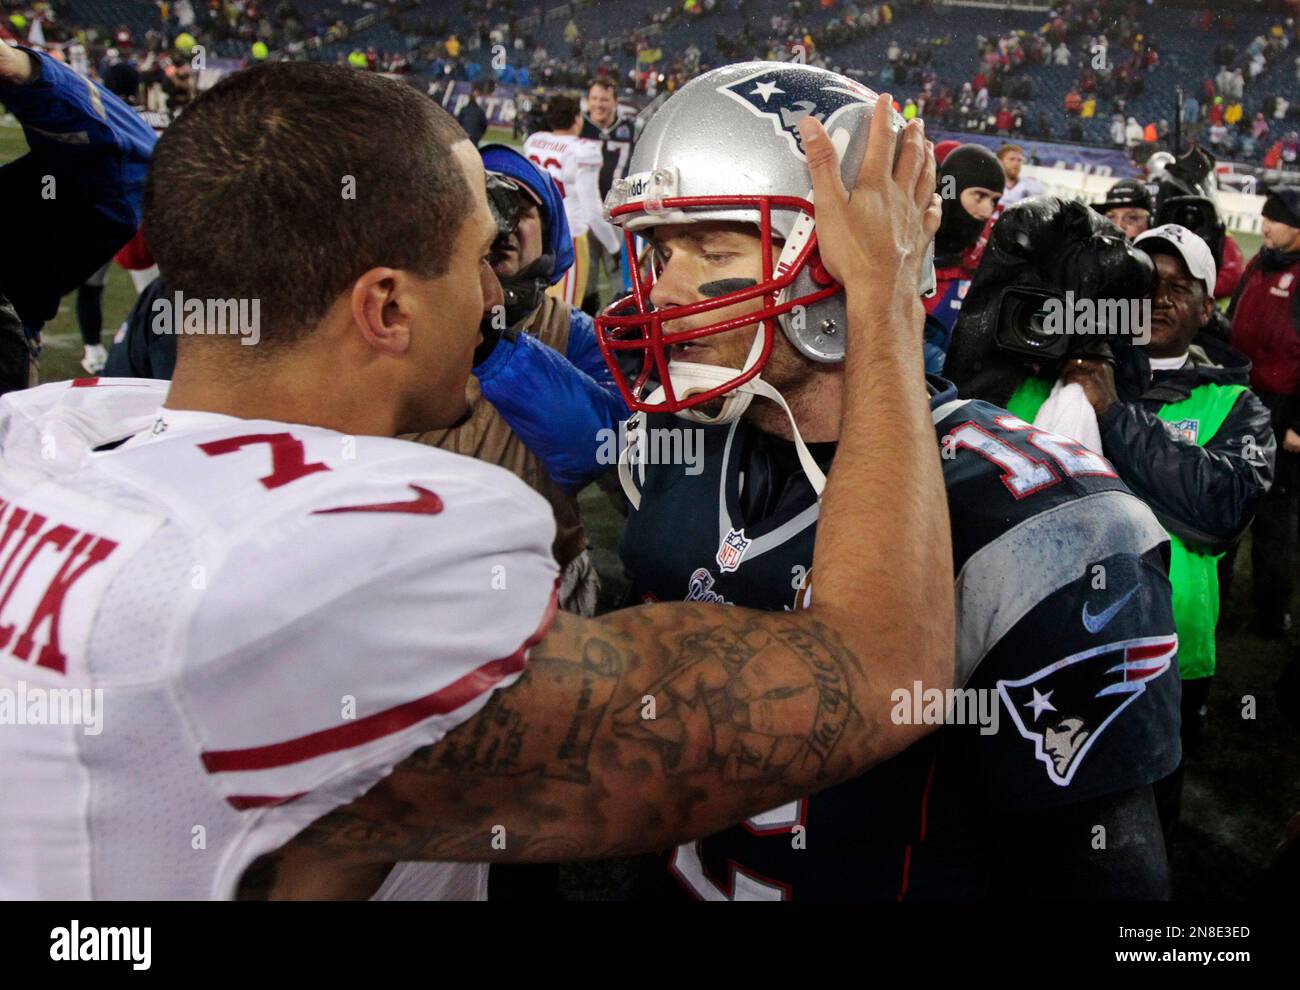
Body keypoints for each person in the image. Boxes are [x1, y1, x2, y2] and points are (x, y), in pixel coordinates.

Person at [0, 62, 955, 899]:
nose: (498, 297)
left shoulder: (51, 434)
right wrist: (880, 302)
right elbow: (877, 670)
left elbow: (340, 830)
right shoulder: (334, 562)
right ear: (386, 306)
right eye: (473, 262)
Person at [597, 63, 1181, 901]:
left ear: (840, 264)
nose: (663, 288)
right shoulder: (677, 451)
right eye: (657, 248)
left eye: (712, 246)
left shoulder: (1050, 523)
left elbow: (1115, 898)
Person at [1000, 224, 1273, 842]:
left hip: (1168, 650)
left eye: (1183, 287)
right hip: (1039, 641)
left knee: (1142, 821)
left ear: (1209, 308)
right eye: (1146, 282)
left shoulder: (1235, 405)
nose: (1161, 297)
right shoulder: (1051, 372)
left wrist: (1113, 415)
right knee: (1028, 811)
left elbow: (1220, 509)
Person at [406, 144, 628, 618]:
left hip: (544, 579)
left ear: (549, 232)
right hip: (415, 579)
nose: (502, 224)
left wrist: (494, 350)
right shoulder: (401, 319)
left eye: (521, 208)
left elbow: (602, 448)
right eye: (484, 205)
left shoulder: (576, 332)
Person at [0, 41, 155, 382]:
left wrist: (25, 71)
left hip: (140, 215)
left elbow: (120, 171)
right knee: (157, 302)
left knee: (133, 298)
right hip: (156, 218)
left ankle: (100, 352)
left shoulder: (22, 212)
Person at [1228, 185, 1300, 636]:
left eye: (1274, 219)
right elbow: (1233, 314)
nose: (1264, 225)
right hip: (1241, 400)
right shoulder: (1258, 263)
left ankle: (1272, 612)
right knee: (1230, 499)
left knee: (1275, 516)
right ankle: (1218, 599)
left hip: (1283, 410)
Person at [523, 94, 621, 307]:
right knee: (563, 312)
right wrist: (614, 247)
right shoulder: (583, 150)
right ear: (578, 119)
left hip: (536, 234)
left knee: (534, 307)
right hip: (568, 237)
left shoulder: (535, 141)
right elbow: (592, 208)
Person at [923, 143, 1004, 371]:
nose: (987, 211)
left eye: (994, 201)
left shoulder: (990, 264)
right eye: (979, 196)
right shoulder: (898, 248)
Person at [579, 78, 637, 315]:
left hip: (617, 214)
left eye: (604, 99)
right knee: (587, 277)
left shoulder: (631, 127)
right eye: (594, 99)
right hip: (585, 216)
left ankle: (623, 331)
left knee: (620, 277)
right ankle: (586, 330)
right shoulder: (579, 126)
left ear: (615, 102)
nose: (599, 105)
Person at [995, 142, 1044, 208]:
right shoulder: (989, 183)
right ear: (1000, 161)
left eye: (1019, 160)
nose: (1016, 163)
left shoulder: (1032, 185)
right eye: (1012, 159)